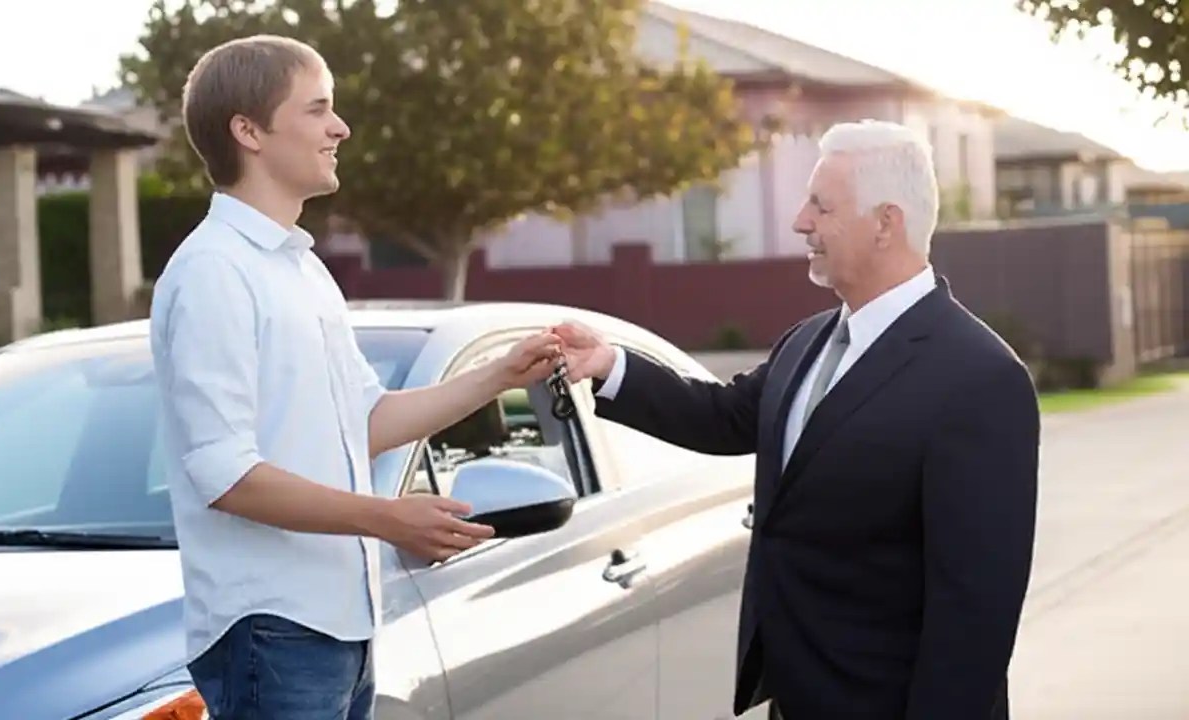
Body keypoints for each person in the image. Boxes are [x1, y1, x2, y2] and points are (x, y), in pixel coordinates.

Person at [554, 120, 1039, 720]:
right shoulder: (806, 342)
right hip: (796, 696)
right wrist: (607, 364)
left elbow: (976, 608)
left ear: (886, 223)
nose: (799, 221)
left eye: (821, 205)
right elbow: (725, 416)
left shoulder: (980, 378)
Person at [148, 35, 561, 720]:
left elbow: (363, 422)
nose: (339, 128)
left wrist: (499, 375)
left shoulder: (302, 269)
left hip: (339, 626)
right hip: (271, 629)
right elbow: (223, 475)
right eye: (317, 110)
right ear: (248, 131)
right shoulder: (212, 273)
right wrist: (387, 519)